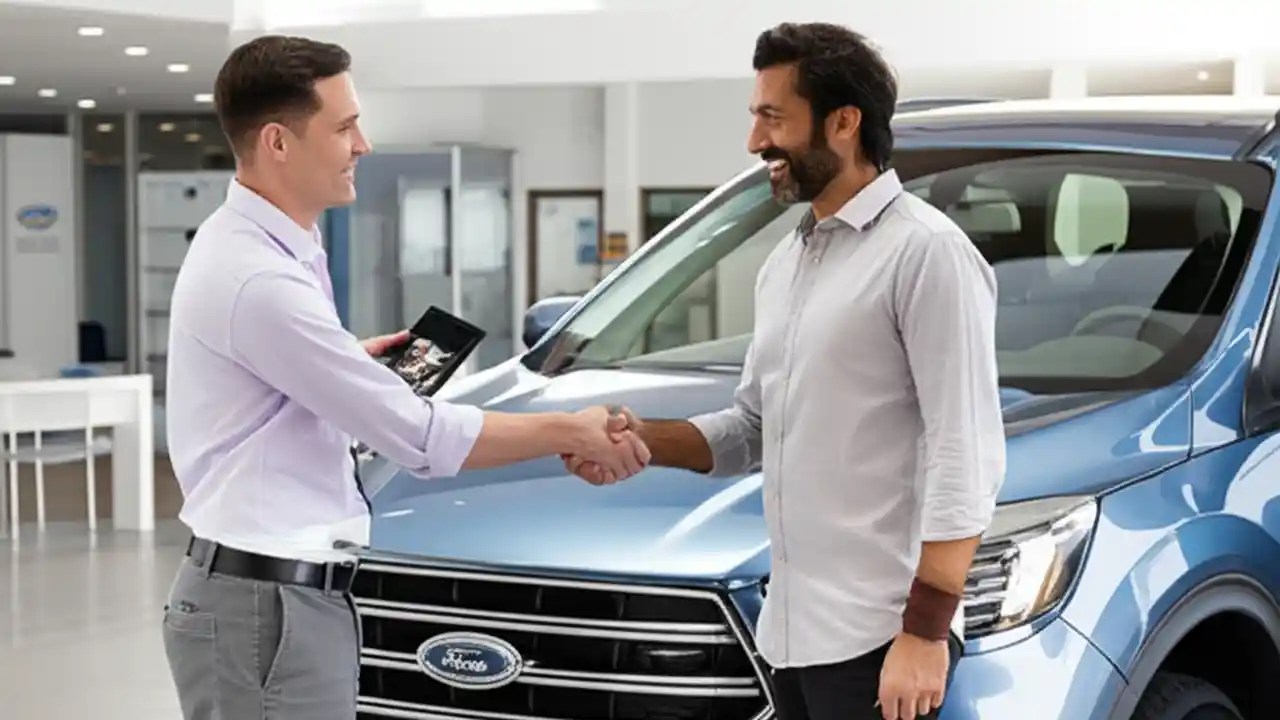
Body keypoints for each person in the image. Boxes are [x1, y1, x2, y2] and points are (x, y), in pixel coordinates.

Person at [160, 35, 648, 720]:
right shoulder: (257, 278)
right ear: (277, 142)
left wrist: (341, 365)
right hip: (265, 614)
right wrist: (573, 430)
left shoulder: (272, 247)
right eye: (344, 126)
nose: (363, 144)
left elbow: (260, 392)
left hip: (278, 603)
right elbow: (421, 437)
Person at [565, 22, 1005, 720]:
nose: (755, 142)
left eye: (774, 118)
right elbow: (751, 427)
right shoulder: (787, 264)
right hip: (790, 635)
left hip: (880, 635)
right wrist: (639, 437)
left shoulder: (926, 254)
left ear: (843, 123)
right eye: (755, 117)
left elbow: (967, 453)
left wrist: (924, 632)